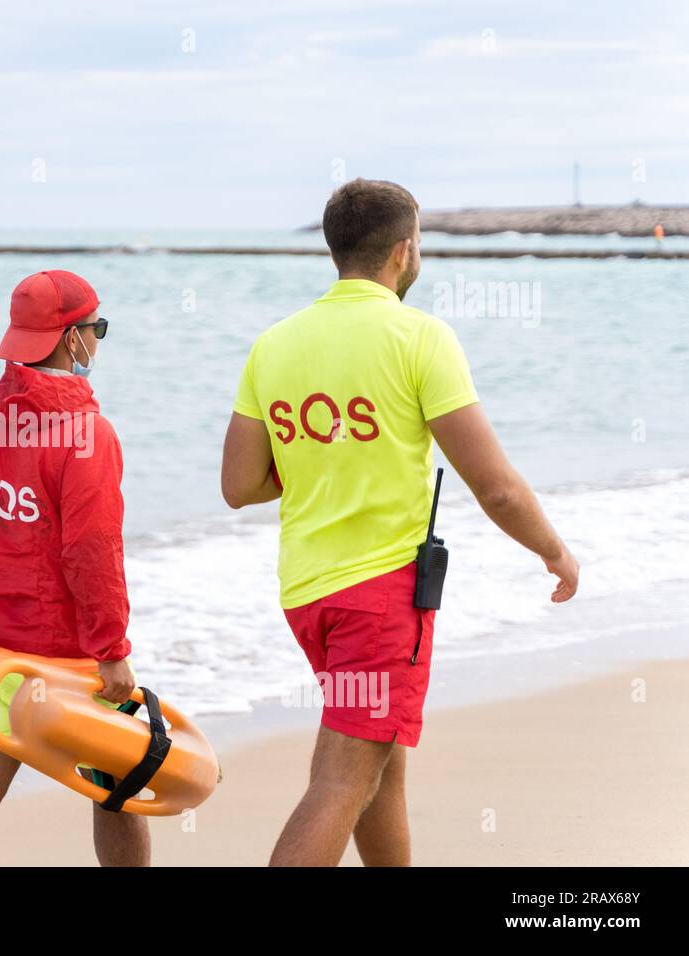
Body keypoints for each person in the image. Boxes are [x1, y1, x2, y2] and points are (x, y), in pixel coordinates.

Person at [221, 179, 580, 867]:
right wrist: (556, 552)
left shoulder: (276, 343)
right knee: (343, 778)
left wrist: (327, 459)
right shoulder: (419, 337)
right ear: (405, 251)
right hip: (379, 601)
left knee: (377, 769)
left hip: (308, 596)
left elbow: (239, 485)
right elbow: (497, 488)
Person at [0, 270, 149, 867]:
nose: (97, 341)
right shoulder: (87, 435)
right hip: (68, 658)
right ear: (72, 339)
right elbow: (93, 551)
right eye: (96, 329)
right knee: (116, 791)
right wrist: (111, 648)